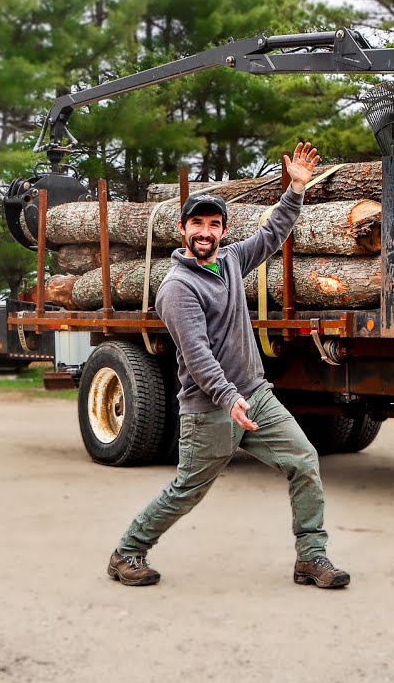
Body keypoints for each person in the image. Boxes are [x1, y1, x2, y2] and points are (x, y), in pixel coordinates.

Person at [108, 142, 349, 589]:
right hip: (210, 409)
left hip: (254, 395)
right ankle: (127, 552)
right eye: (197, 223)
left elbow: (274, 232)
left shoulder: (233, 260)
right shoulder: (177, 287)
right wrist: (228, 398)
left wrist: (295, 189)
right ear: (182, 230)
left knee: (304, 461)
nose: (205, 231)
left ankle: (311, 557)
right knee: (187, 490)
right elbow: (197, 353)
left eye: (213, 224)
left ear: (222, 230)